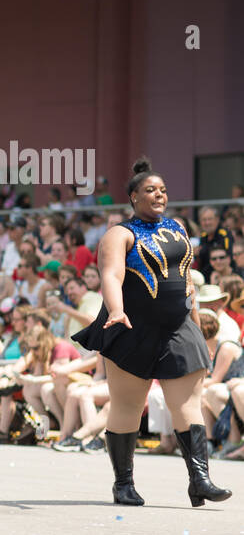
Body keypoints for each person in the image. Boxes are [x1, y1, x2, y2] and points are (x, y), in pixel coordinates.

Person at [73, 158, 231, 508]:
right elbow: (111, 276)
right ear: (133, 197)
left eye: (162, 190)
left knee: (187, 404)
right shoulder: (120, 234)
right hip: (131, 327)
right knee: (127, 406)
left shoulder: (175, 227)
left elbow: (186, 276)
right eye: (150, 190)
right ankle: (123, 484)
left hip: (177, 329)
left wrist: (193, 317)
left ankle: (200, 480)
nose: (159, 195)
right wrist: (116, 310)